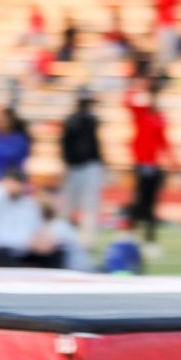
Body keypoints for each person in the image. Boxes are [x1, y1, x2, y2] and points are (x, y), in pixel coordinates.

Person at [124, 78, 180, 247]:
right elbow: (126, 101)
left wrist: (173, 160)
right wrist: (137, 86)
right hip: (142, 163)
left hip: (153, 164)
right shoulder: (141, 112)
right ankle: (131, 231)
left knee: (151, 200)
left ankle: (149, 235)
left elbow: (163, 141)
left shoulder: (159, 117)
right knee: (141, 198)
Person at [59, 90, 106, 248]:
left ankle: (87, 241)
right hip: (75, 167)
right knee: (69, 205)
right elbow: (65, 145)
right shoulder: (74, 120)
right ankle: (65, 236)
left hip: (88, 166)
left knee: (89, 205)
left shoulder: (89, 120)